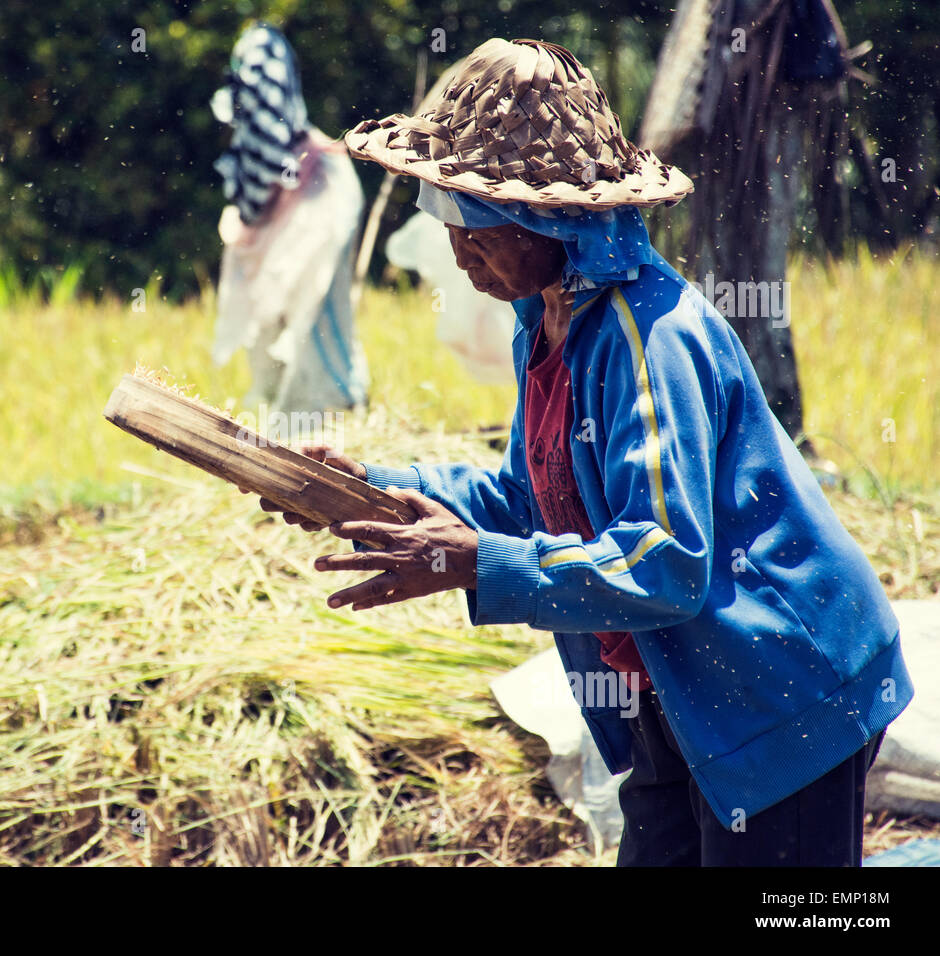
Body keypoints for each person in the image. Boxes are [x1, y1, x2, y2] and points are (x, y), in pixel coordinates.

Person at [259, 38, 912, 866]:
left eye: (475, 216)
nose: (457, 246)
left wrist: (476, 565)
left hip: (775, 684)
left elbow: (667, 561)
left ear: (550, 216)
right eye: (443, 211)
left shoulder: (649, 339)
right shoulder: (547, 320)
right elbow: (531, 500)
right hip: (670, 688)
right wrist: (366, 488)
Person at [210, 23, 368, 420]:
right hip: (299, 189)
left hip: (313, 194)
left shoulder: (260, 44)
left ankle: (325, 413)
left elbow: (272, 133)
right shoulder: (257, 42)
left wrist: (255, 203)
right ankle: (291, 417)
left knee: (311, 308)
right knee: (277, 312)